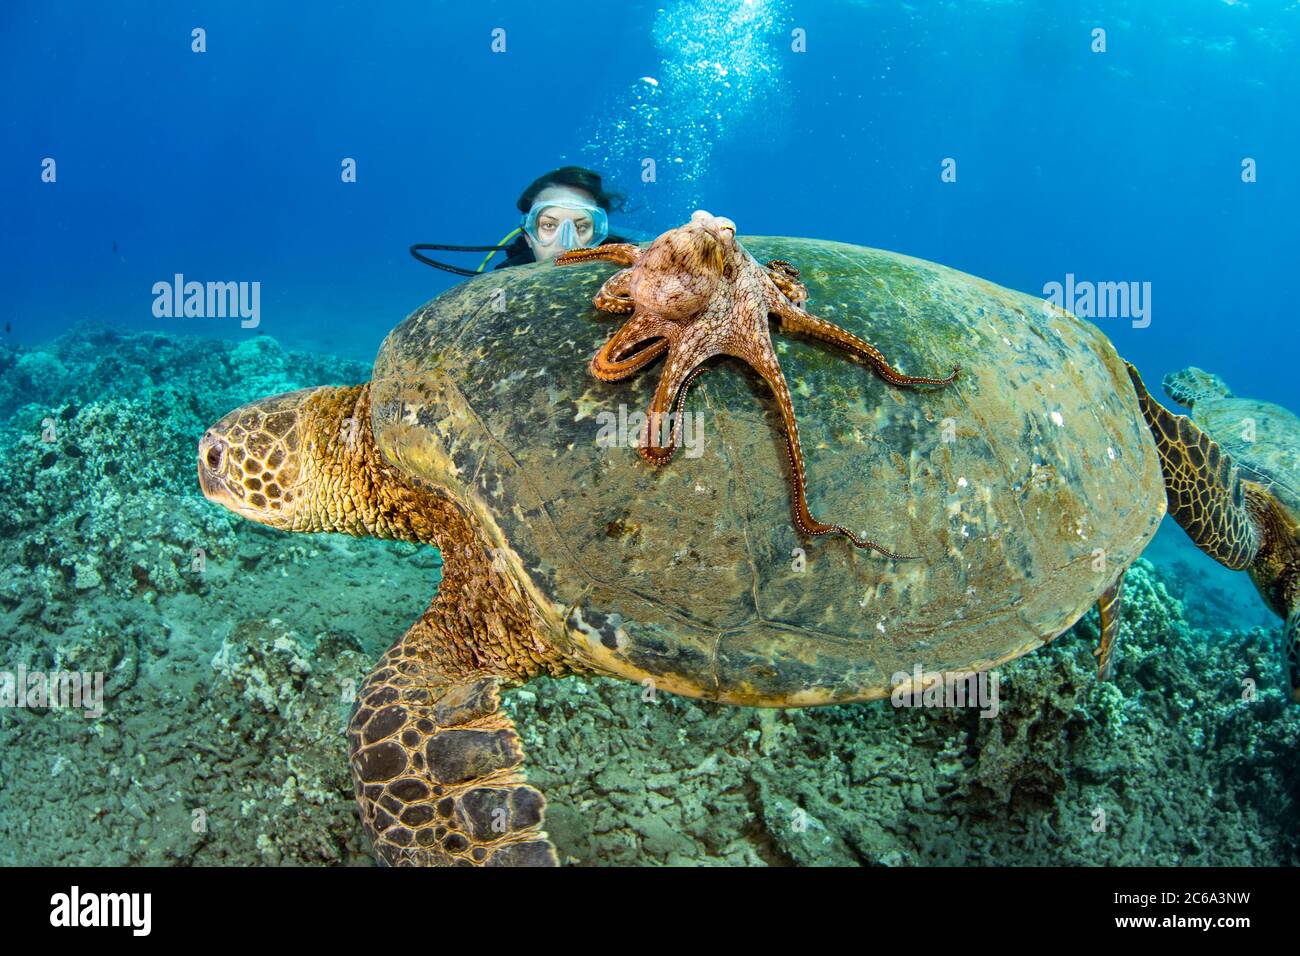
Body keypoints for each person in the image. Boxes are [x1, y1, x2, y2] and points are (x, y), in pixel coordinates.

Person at [496, 166, 629, 268]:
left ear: (597, 235)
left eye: (581, 227)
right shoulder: (498, 290)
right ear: (528, 237)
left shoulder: (631, 276)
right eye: (549, 225)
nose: (566, 243)